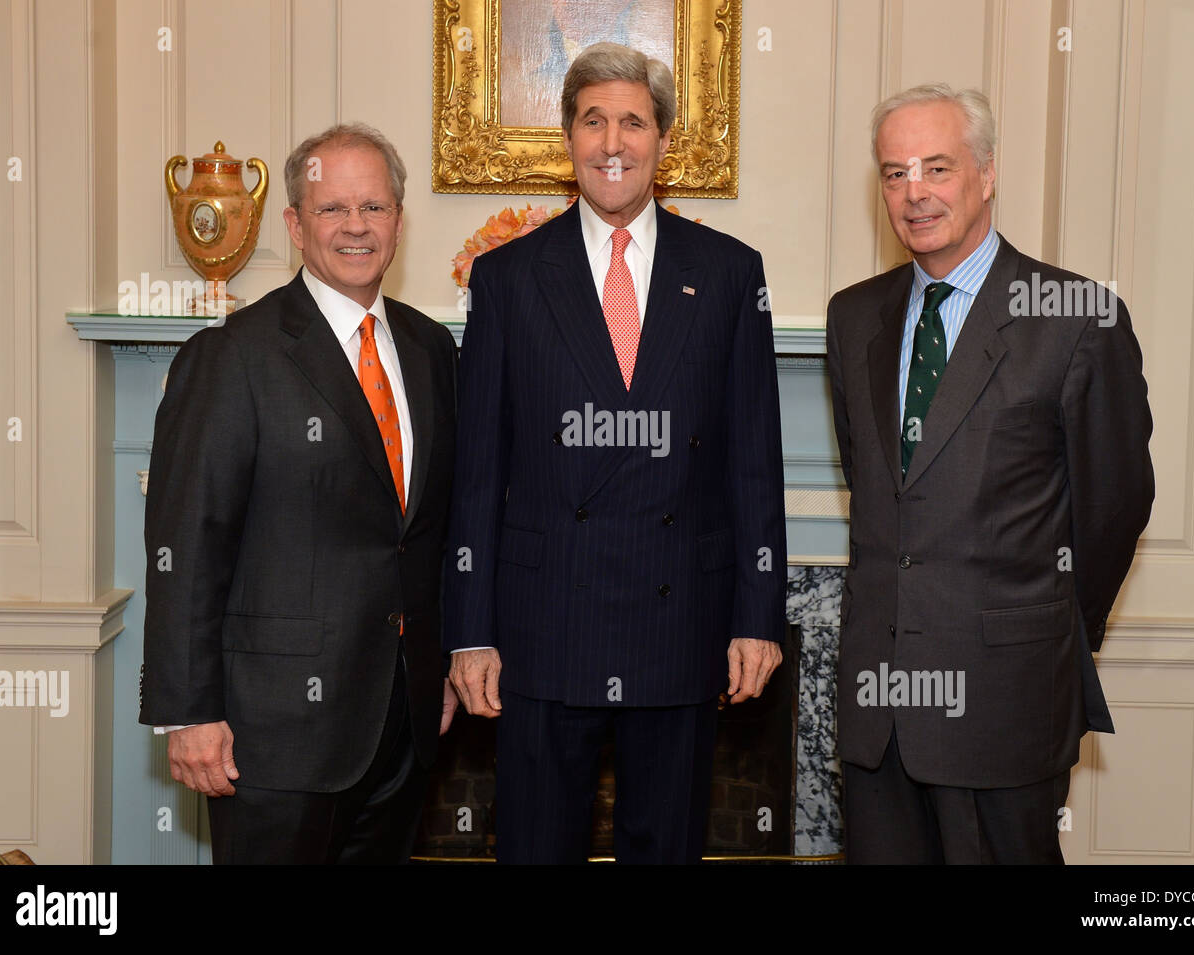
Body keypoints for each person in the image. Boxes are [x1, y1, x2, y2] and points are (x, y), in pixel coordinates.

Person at [445, 43, 787, 864]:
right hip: (541, 630)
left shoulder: (733, 275)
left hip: (680, 628)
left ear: (664, 141)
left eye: (633, 121)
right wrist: (468, 630)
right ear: (567, 137)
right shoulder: (506, 279)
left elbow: (754, 462)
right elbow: (478, 472)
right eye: (593, 120)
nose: (613, 141)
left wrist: (759, 614)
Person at [826, 84, 1155, 863]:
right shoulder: (853, 316)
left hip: (1005, 702)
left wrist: (1039, 633)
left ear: (987, 172)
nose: (914, 193)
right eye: (894, 172)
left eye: (936, 168)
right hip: (879, 712)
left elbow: (1113, 509)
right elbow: (881, 493)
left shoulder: (1075, 317)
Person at [139, 123, 458, 864]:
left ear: (399, 223)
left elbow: (429, 531)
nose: (356, 226)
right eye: (332, 208)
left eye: (375, 208)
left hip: (400, 728)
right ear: (293, 224)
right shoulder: (231, 355)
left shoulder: (431, 350)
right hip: (271, 738)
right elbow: (186, 541)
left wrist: (436, 666)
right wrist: (188, 712)